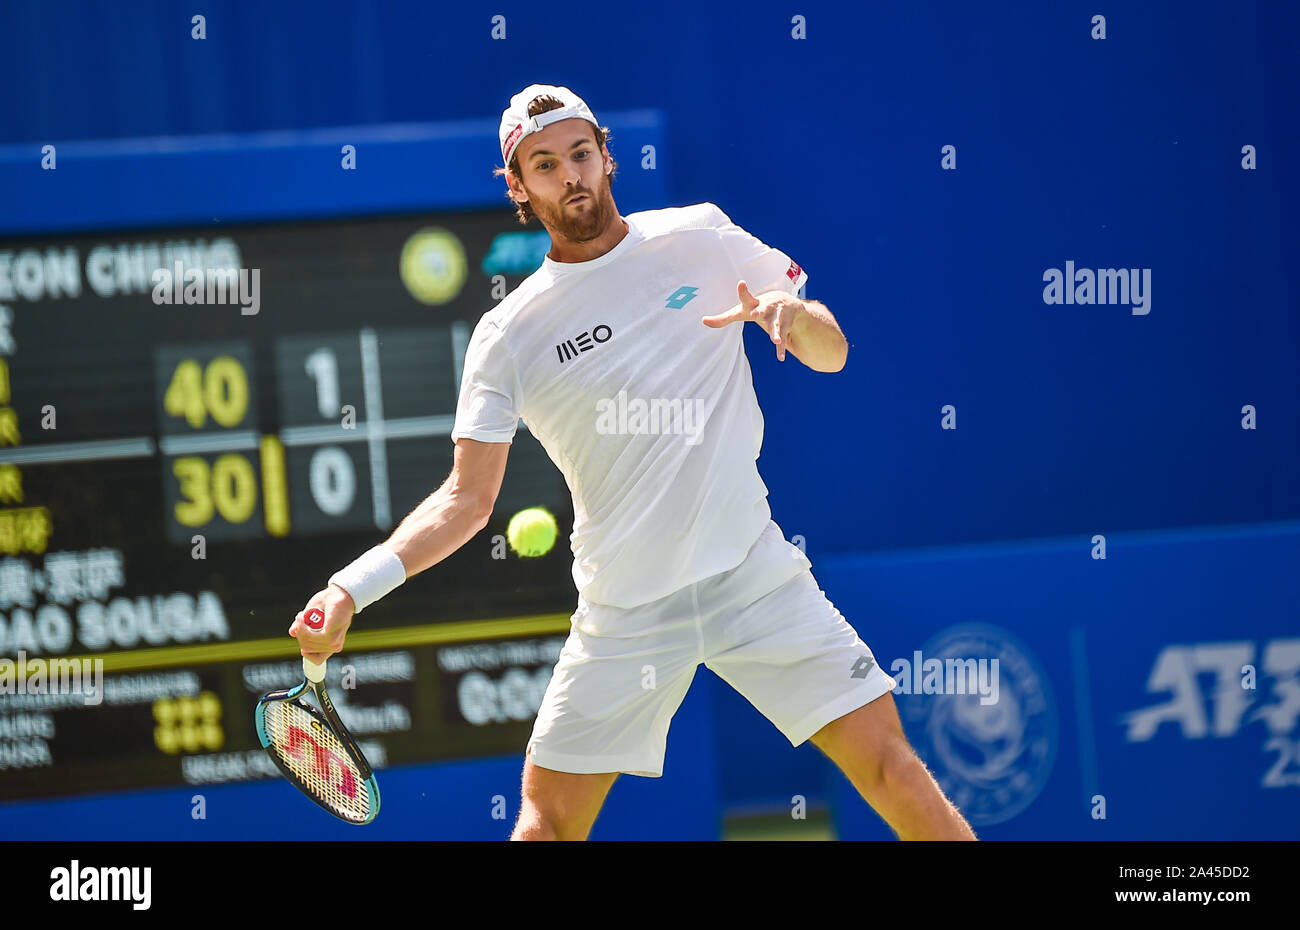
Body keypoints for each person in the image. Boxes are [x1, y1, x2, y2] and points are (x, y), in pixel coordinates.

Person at [290, 84, 977, 841]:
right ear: (518, 186)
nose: (571, 175)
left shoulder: (703, 238)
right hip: (624, 613)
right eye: (545, 164)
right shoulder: (507, 335)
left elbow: (834, 352)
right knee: (545, 826)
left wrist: (794, 318)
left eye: (581, 153)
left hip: (752, 576)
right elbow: (466, 501)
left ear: (607, 154)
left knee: (890, 767)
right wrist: (350, 588)